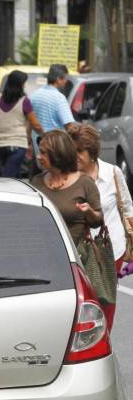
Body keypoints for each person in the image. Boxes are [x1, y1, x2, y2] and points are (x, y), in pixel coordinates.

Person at [70, 124, 133, 329]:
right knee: (82, 301)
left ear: (91, 152)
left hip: (110, 249)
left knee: (105, 301)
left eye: (79, 151)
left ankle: (103, 342)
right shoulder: (69, 177)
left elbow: (127, 208)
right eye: (72, 151)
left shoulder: (113, 173)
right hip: (78, 250)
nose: (75, 156)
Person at [31, 129, 103, 246]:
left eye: (43, 153)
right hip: (42, 252)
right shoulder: (36, 182)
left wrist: (89, 212)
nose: (38, 157)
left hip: (73, 258)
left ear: (57, 154)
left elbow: (98, 221)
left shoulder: (84, 183)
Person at [0, 70, 43, 178]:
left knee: (14, 175)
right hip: (18, 145)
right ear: (20, 85)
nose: (25, 86)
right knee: (7, 178)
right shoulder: (24, 101)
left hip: (0, 145)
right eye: (24, 83)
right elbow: (35, 124)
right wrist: (44, 135)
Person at [30, 64, 76, 153]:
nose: (66, 81)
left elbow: (29, 122)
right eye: (65, 78)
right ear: (58, 79)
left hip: (37, 148)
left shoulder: (35, 95)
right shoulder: (59, 98)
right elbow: (69, 127)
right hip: (54, 148)